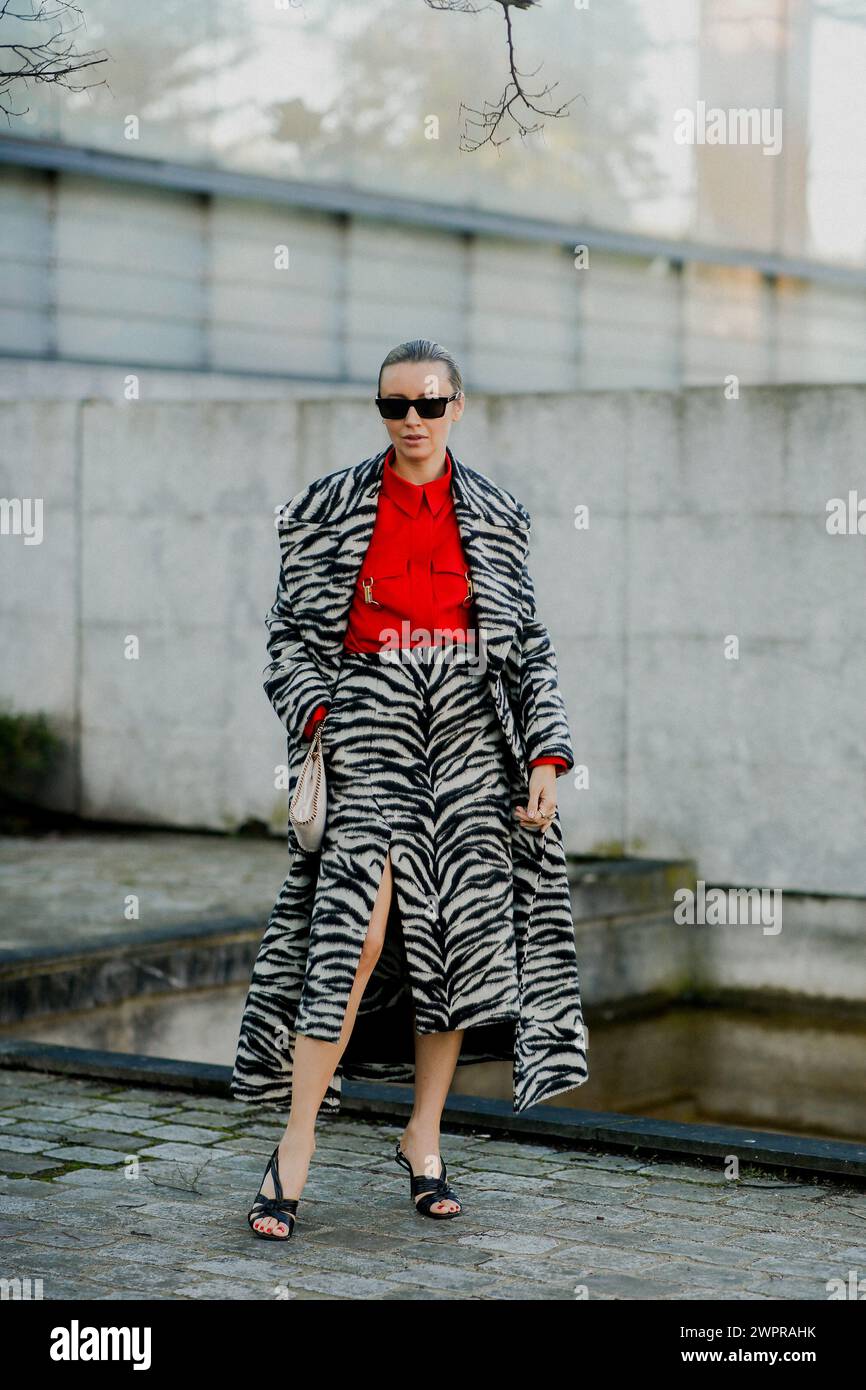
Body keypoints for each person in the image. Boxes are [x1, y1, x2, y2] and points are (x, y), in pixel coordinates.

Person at [233, 338, 588, 1239]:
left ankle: (423, 1137)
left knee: (457, 950)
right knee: (345, 945)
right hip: (370, 747)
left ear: (457, 407)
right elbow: (287, 642)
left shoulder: (501, 516)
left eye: (430, 404)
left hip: (472, 754)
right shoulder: (326, 508)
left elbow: (531, 649)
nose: (414, 421)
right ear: (381, 411)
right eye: (397, 406)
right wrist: (322, 719)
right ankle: (296, 1145)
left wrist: (546, 754)